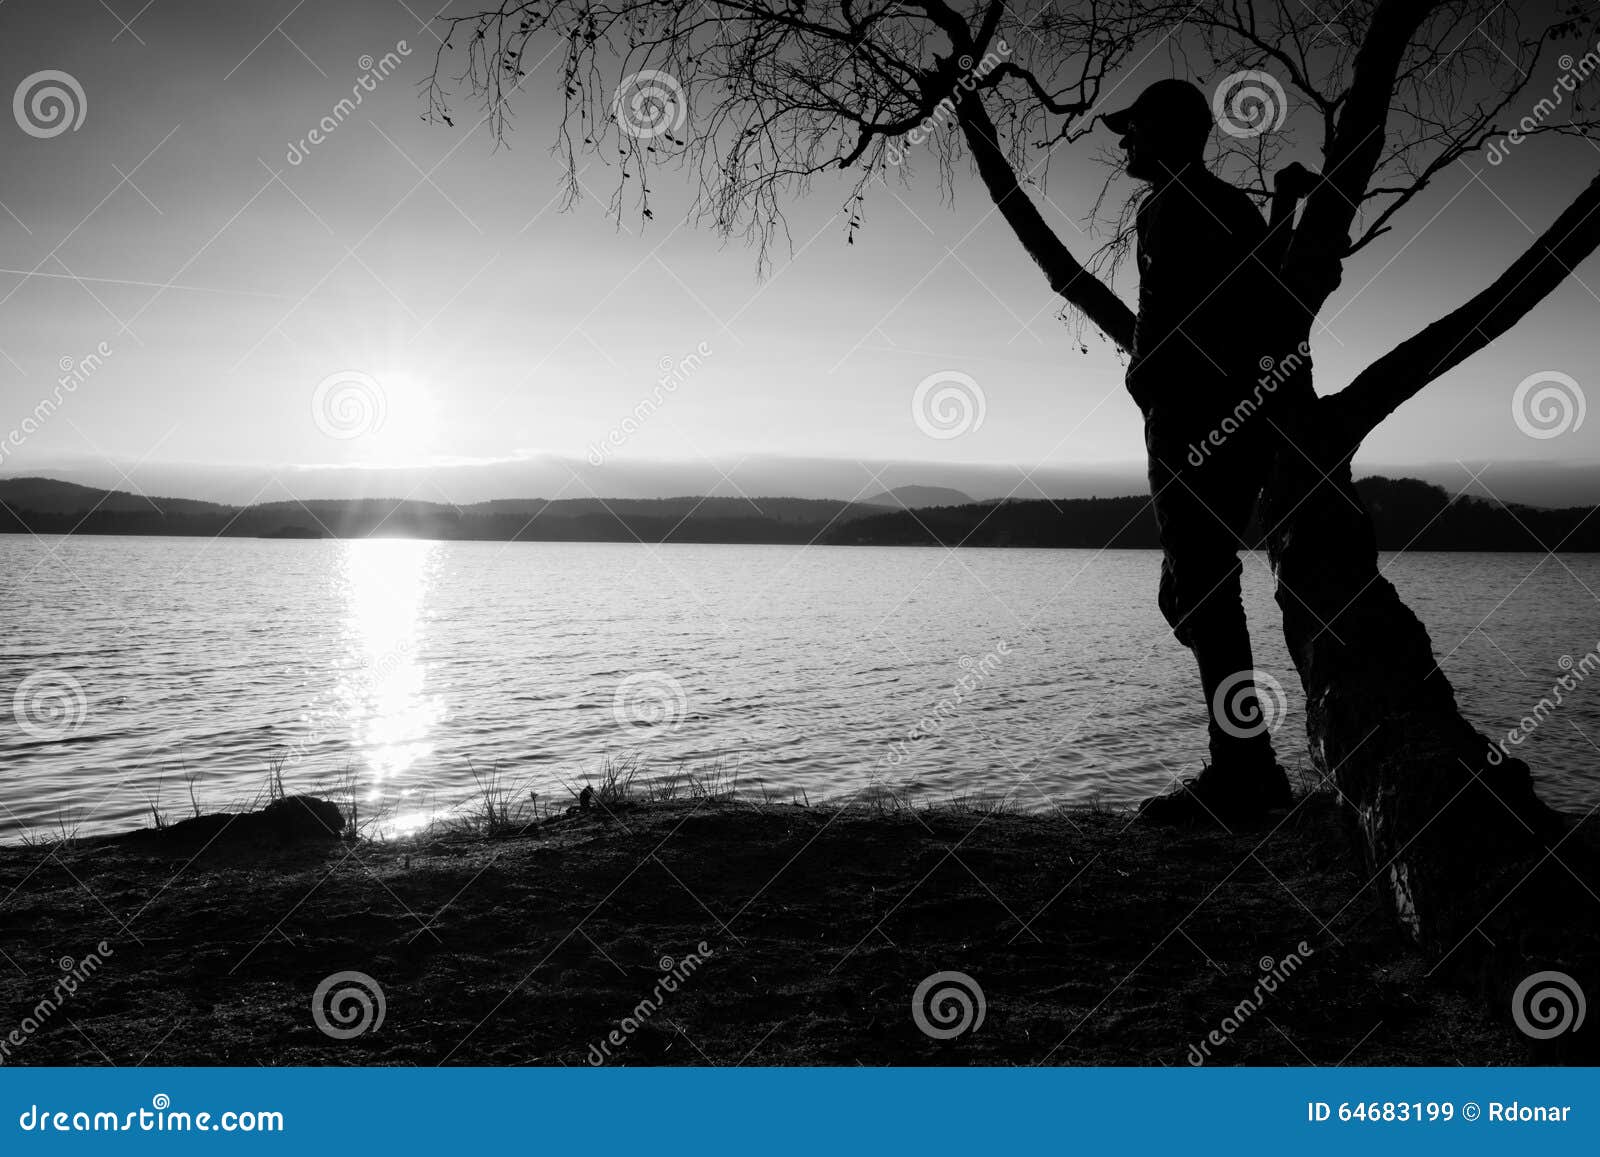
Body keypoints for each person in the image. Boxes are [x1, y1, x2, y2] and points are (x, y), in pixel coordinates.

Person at [1099, 78, 1316, 827]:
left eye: (1132, 129)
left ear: (1164, 131)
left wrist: (1160, 380)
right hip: (1209, 417)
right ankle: (1248, 762)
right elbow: (1256, 281)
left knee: (1202, 591)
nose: (1122, 141)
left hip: (1194, 421)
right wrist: (1285, 208)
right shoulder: (1210, 205)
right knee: (1192, 590)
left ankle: (1243, 772)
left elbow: (1235, 299)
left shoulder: (1176, 207)